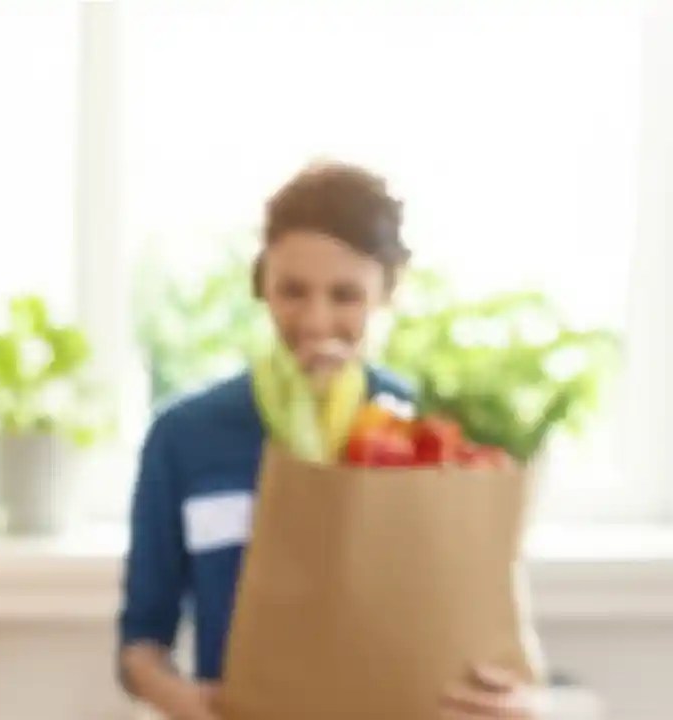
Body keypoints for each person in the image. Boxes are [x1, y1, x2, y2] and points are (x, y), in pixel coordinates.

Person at [117, 163, 540, 719]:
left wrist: (521, 703)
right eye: (292, 291)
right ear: (260, 281)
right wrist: (181, 700)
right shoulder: (184, 437)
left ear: (387, 290)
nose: (315, 321)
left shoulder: (426, 433)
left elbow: (480, 621)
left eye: (345, 296)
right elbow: (141, 643)